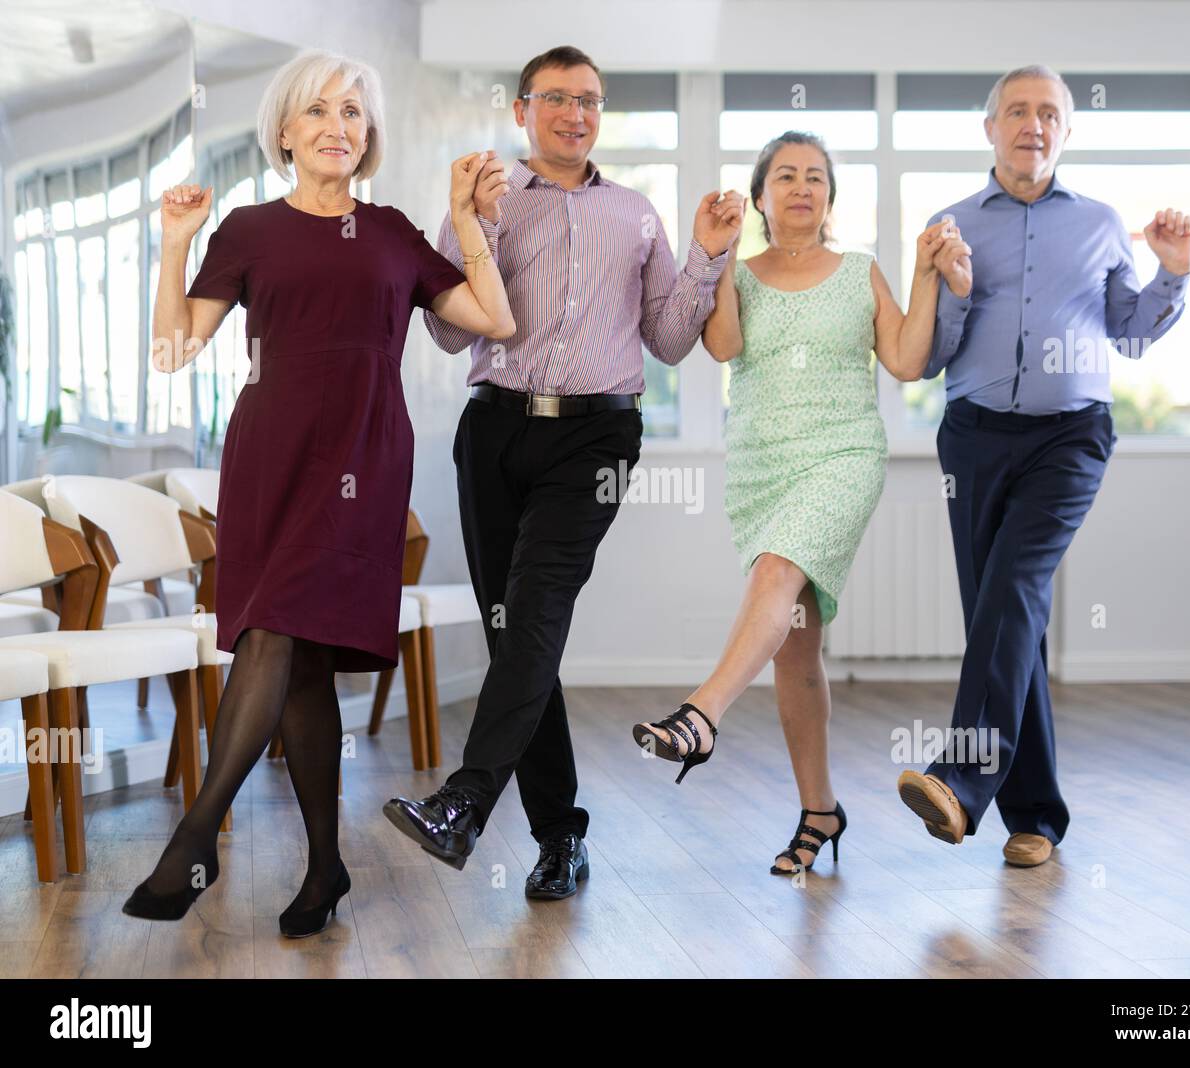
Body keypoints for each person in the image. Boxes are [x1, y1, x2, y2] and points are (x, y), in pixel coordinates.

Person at [121, 50, 513, 936]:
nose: (340, 126)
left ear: (366, 137)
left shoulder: (392, 232)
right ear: (287, 132)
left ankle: (194, 836)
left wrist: (464, 219)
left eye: (354, 113)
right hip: (269, 456)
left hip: (362, 459)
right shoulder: (250, 230)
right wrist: (176, 243)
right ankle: (327, 868)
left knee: (277, 629)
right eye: (321, 112)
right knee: (292, 657)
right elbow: (174, 348)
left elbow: (496, 320)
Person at [382, 45, 743, 899]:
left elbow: (666, 339)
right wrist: (471, 223)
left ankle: (466, 802)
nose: (576, 114)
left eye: (590, 100)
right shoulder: (484, 201)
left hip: (597, 441)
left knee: (536, 606)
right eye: (557, 99)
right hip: (495, 432)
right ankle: (560, 839)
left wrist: (706, 255)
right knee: (520, 636)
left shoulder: (637, 214)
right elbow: (445, 333)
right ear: (521, 110)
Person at [631, 131, 971, 875]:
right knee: (796, 648)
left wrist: (923, 272)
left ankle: (702, 715)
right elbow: (719, 347)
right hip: (762, 468)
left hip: (844, 456)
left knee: (776, 571)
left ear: (829, 198)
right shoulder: (741, 273)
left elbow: (909, 361)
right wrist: (713, 255)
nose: (801, 187)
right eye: (784, 176)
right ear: (760, 197)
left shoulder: (858, 272)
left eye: (816, 177)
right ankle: (821, 810)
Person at [896, 65, 1190, 868]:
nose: (1033, 125)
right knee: (1002, 615)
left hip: (1071, 438)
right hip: (973, 437)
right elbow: (928, 358)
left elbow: (1129, 335)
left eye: (1049, 114)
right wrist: (952, 286)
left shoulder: (1100, 221)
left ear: (1067, 131)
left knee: (1014, 590)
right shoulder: (949, 224)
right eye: (1018, 111)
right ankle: (1036, 819)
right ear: (989, 127)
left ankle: (960, 780)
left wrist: (1172, 271)